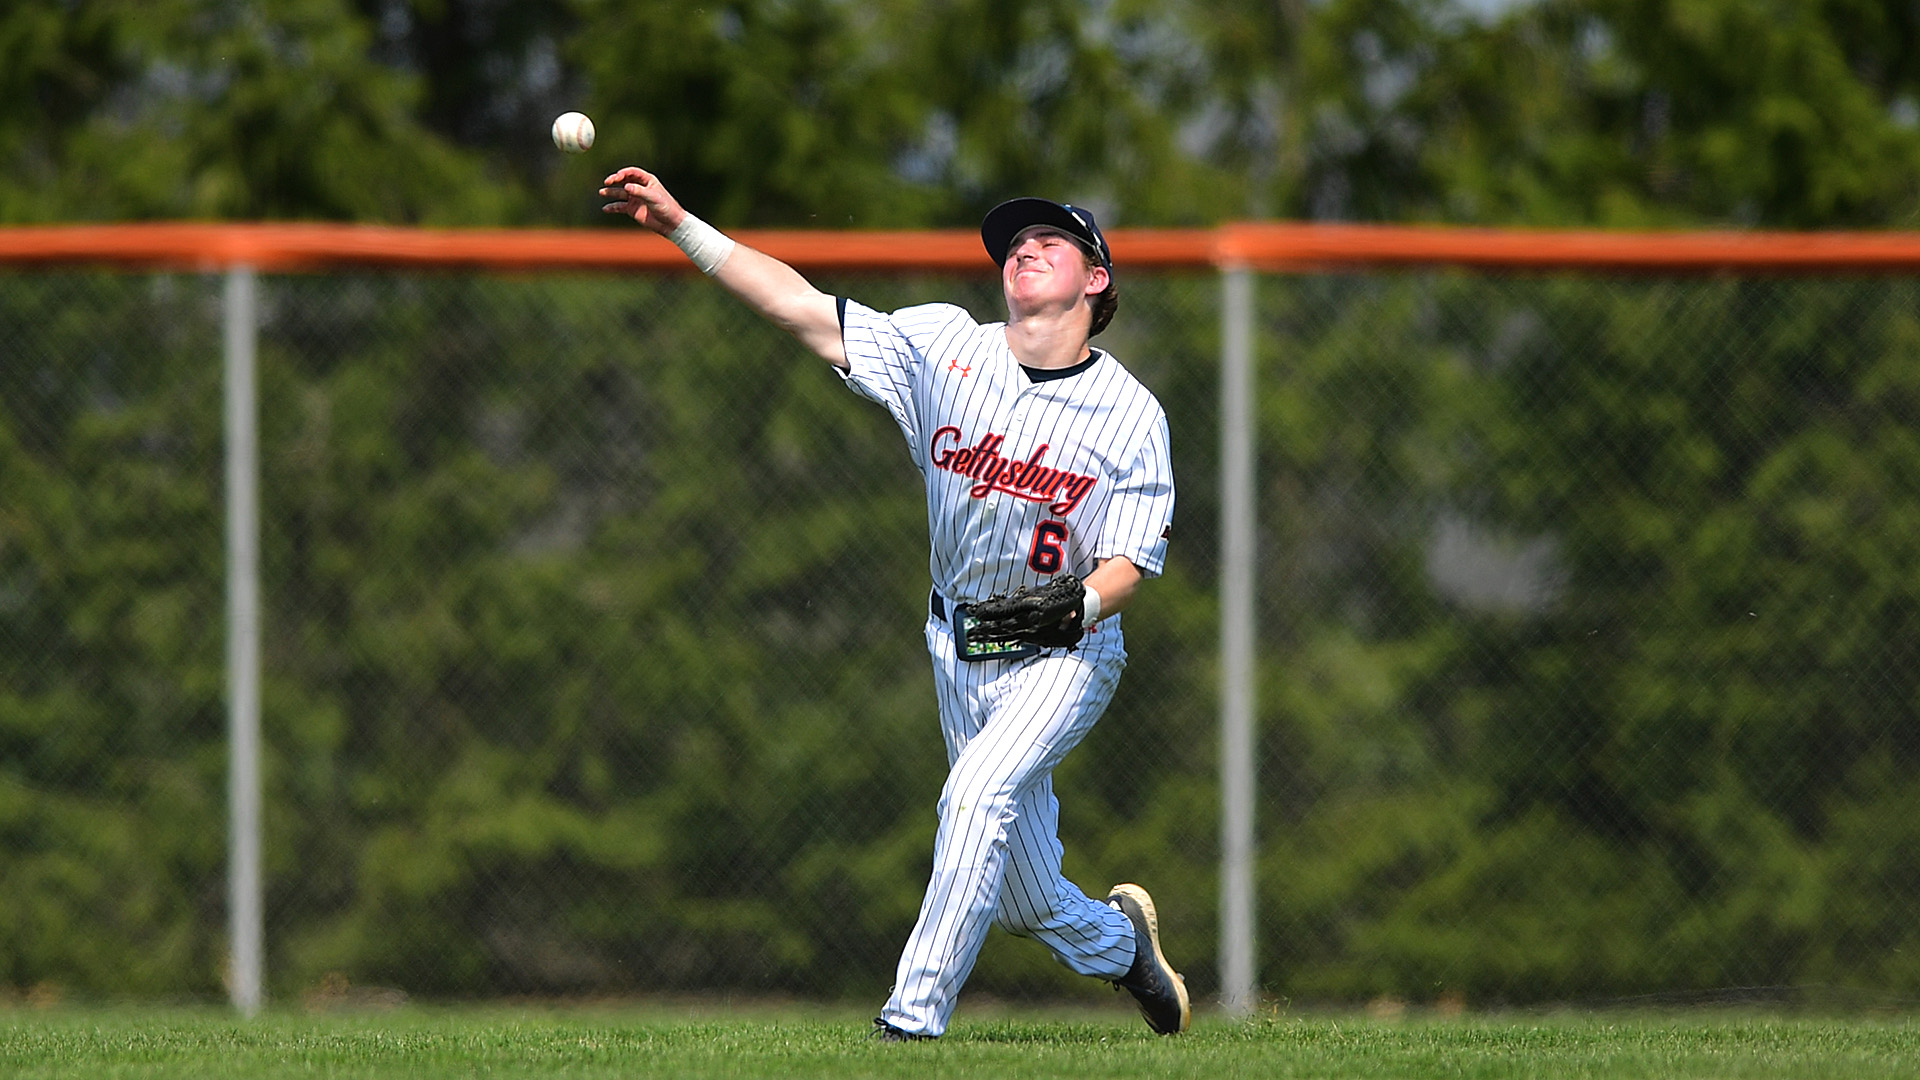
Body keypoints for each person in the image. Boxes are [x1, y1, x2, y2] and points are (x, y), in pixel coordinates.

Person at [600, 166, 1186, 1040]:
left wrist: (1073, 612)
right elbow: (801, 307)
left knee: (974, 795)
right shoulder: (945, 348)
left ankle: (909, 1024)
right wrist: (685, 226)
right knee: (1024, 900)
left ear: (1096, 279)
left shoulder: (1132, 412)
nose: (1023, 249)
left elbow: (1130, 561)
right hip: (960, 644)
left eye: (1049, 241)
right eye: (1013, 243)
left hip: (1065, 653)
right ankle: (1123, 946)